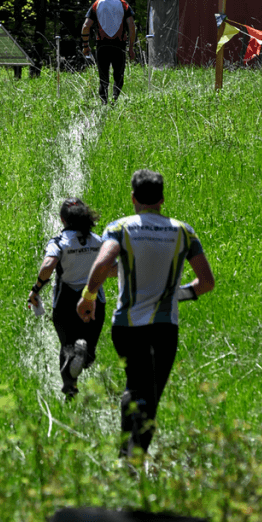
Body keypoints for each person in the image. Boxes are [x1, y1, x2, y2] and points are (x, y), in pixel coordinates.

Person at [76, 169, 215, 459]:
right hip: (165, 327)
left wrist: (88, 296)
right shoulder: (184, 231)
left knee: (135, 384)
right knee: (150, 398)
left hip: (127, 327)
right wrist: (178, 294)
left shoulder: (120, 228)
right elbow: (206, 283)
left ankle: (126, 454)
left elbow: (103, 265)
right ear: (162, 199)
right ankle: (135, 459)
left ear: (133, 198)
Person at [28, 198, 115, 398]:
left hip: (65, 302)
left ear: (62, 220)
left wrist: (37, 289)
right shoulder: (98, 241)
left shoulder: (59, 241)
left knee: (67, 347)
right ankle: (84, 355)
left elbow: (47, 266)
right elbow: (113, 269)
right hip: (93, 300)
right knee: (89, 354)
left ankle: (70, 390)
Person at [81, 0, 136, 104]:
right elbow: (131, 26)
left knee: (103, 78)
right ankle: (115, 100)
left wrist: (85, 45)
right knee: (119, 76)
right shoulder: (124, 4)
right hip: (119, 45)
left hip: (102, 45)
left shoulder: (96, 4)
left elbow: (86, 26)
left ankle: (104, 103)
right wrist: (131, 48)